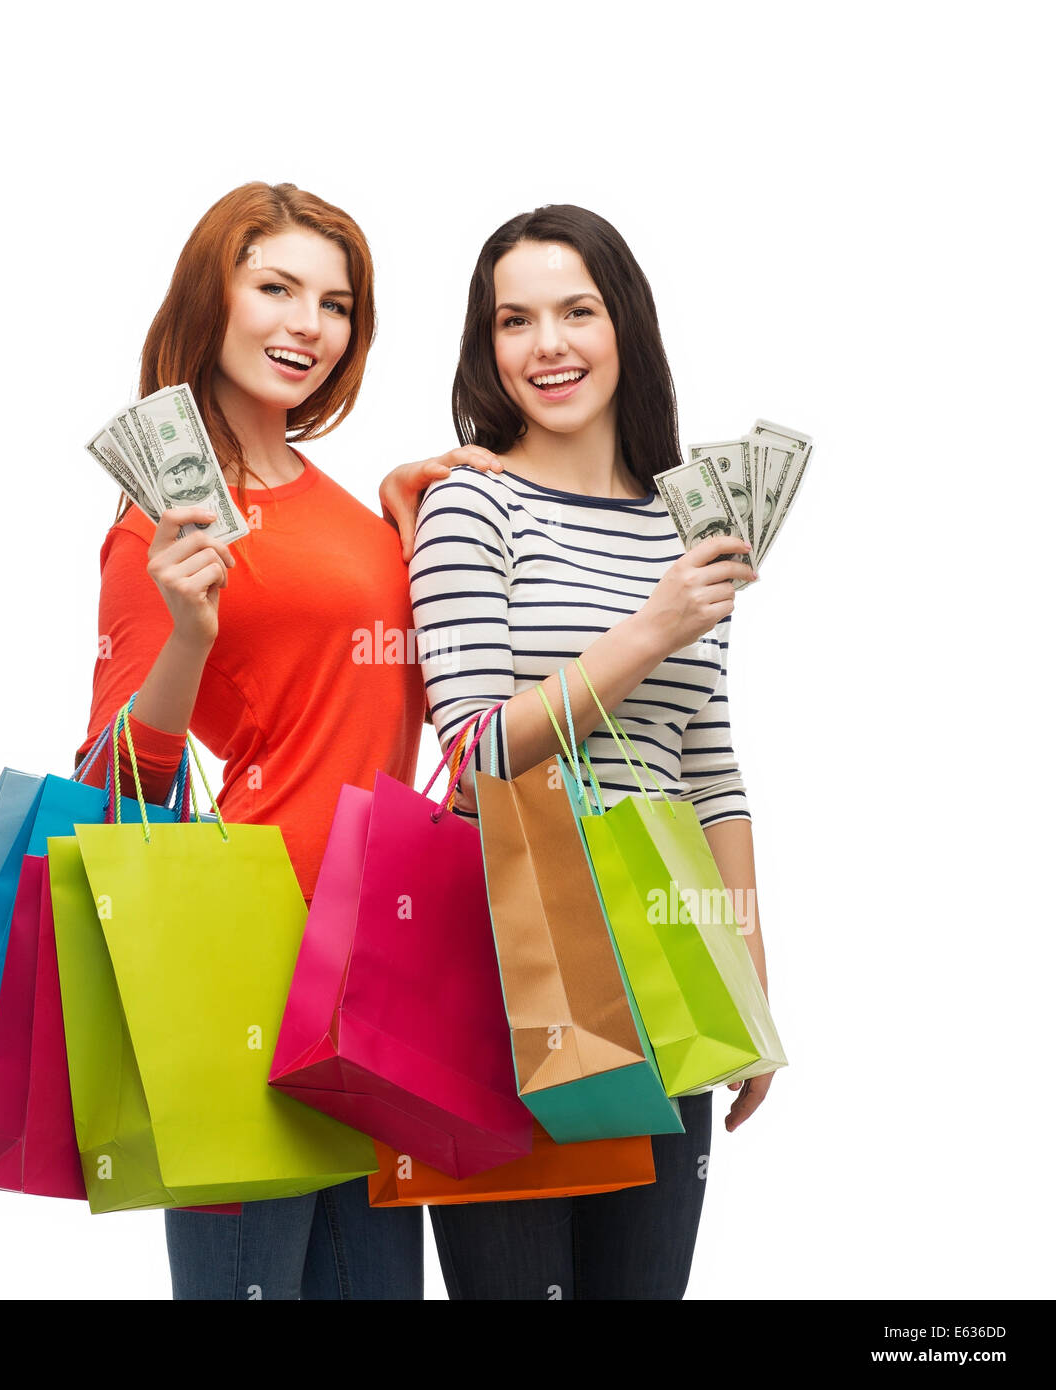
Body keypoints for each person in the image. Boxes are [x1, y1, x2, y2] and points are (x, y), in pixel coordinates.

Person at [73, 181, 497, 1300]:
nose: (307, 324)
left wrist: (412, 518)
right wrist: (188, 635)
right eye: (275, 288)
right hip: (242, 975)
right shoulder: (161, 527)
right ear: (210, 298)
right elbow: (115, 791)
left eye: (336, 302)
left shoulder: (359, 513)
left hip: (378, 974)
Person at [407, 203, 773, 1300]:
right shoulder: (469, 505)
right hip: (510, 967)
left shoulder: (684, 524)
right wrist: (649, 630)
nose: (547, 344)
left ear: (626, 326)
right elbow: (473, 751)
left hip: (666, 960)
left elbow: (707, 765)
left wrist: (745, 970)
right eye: (514, 320)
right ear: (488, 347)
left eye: (576, 310)